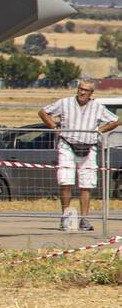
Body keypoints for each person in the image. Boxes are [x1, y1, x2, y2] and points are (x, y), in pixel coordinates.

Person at [39, 80, 119, 231]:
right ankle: (65, 216)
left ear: (91, 94)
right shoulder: (65, 103)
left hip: (89, 146)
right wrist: (54, 127)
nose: (82, 92)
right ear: (77, 89)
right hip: (67, 144)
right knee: (65, 181)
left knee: (86, 184)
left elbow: (115, 121)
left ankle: (84, 218)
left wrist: (99, 130)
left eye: (86, 90)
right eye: (81, 89)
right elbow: (43, 112)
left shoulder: (97, 107)